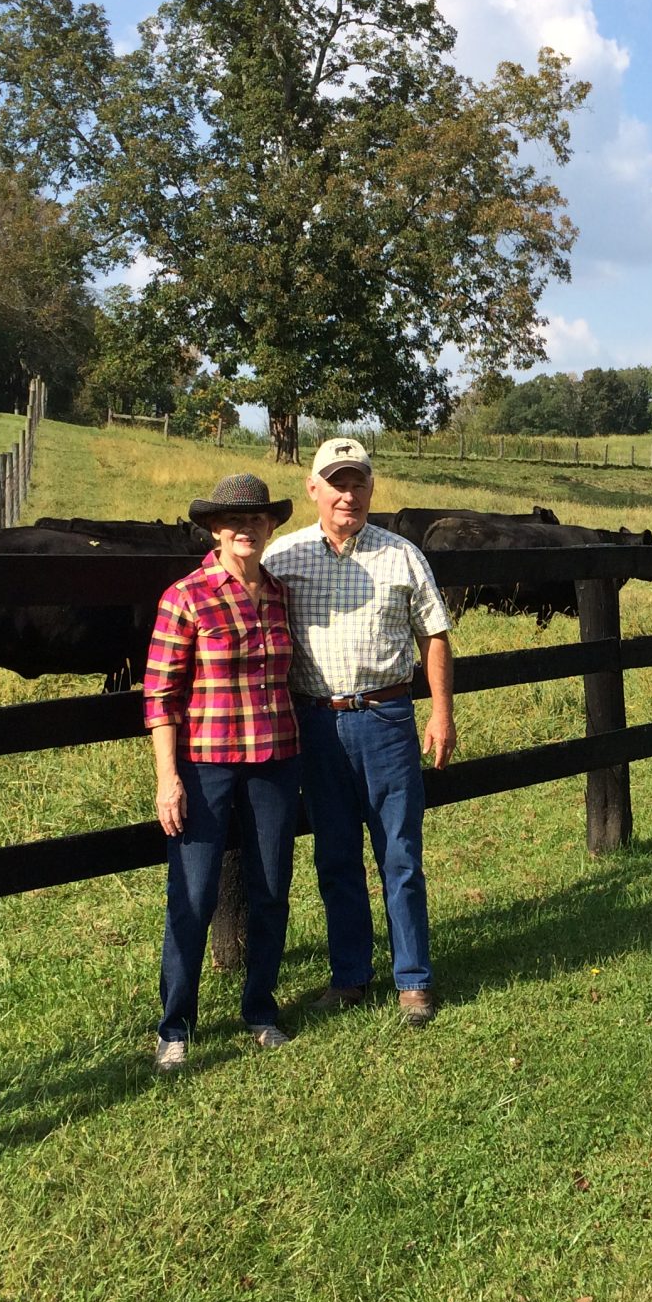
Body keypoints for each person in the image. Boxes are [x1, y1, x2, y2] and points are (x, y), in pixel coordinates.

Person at [264, 436, 455, 1025]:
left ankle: (413, 982)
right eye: (337, 482)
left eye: (359, 482)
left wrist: (442, 713)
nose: (348, 494)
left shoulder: (402, 555)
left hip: (386, 717)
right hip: (316, 722)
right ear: (313, 489)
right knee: (335, 853)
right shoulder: (283, 558)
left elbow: (436, 635)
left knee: (400, 852)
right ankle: (349, 975)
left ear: (372, 488)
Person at [144, 472, 302, 1070]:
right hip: (206, 762)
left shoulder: (281, 594)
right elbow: (160, 695)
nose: (246, 528)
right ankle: (175, 1024)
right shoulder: (185, 596)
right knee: (193, 892)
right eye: (233, 520)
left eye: (257, 519)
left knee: (270, 887)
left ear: (270, 527)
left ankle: (260, 1009)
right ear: (214, 529)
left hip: (276, 758)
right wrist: (168, 776)